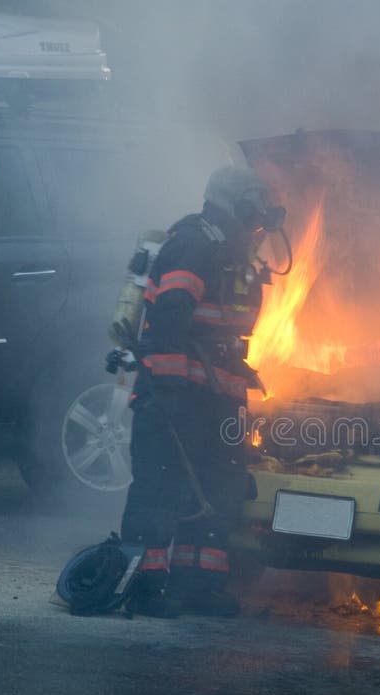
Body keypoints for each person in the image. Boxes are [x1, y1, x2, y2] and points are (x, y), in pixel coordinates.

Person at [120, 166, 285, 618]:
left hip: (220, 399)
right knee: (161, 486)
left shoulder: (237, 255)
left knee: (220, 490)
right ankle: (146, 585)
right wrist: (168, 389)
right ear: (229, 202)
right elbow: (169, 318)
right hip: (178, 395)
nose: (256, 221)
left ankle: (197, 586)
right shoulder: (194, 244)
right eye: (250, 208)